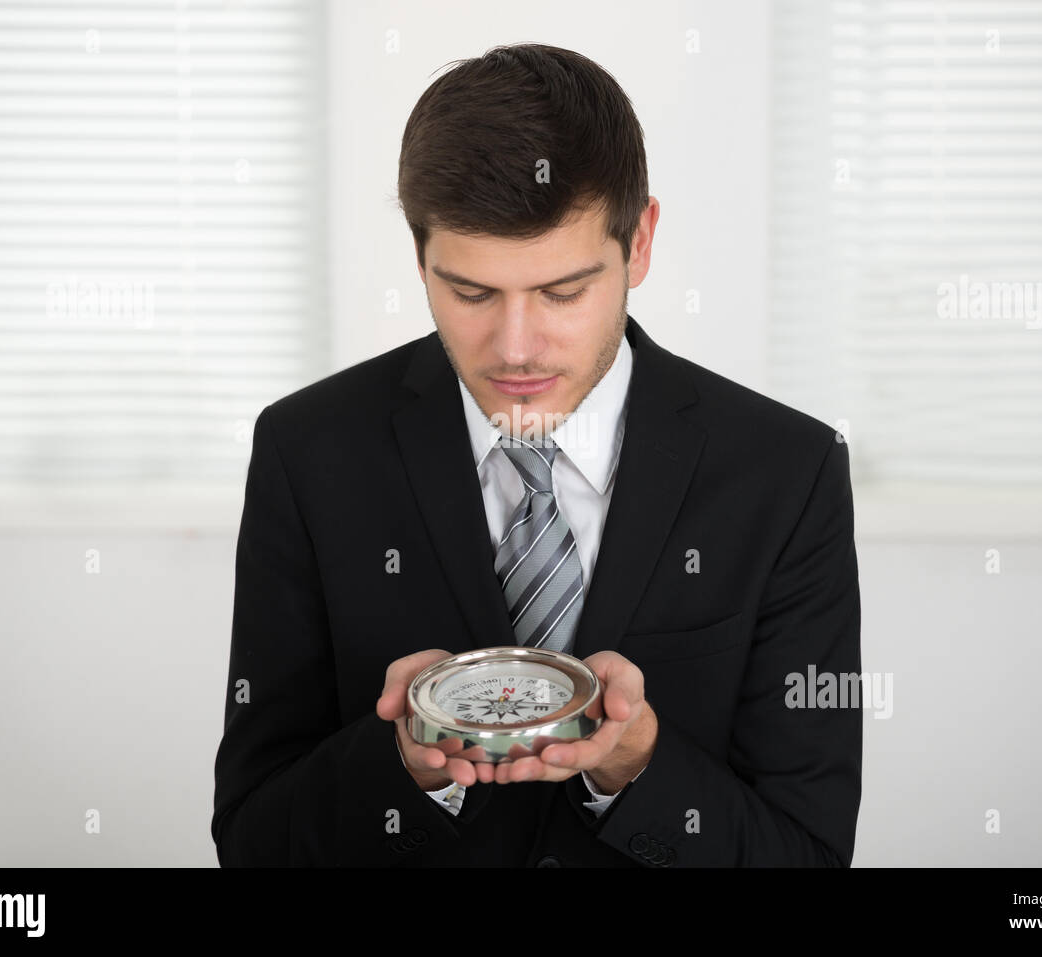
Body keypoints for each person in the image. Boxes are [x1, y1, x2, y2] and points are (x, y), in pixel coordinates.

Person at [211, 42, 861, 867]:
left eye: (563, 291)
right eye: (472, 292)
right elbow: (252, 842)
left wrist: (640, 766)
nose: (516, 349)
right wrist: (403, 770)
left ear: (643, 241)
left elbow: (807, 856)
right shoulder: (308, 453)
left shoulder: (786, 473)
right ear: (420, 257)